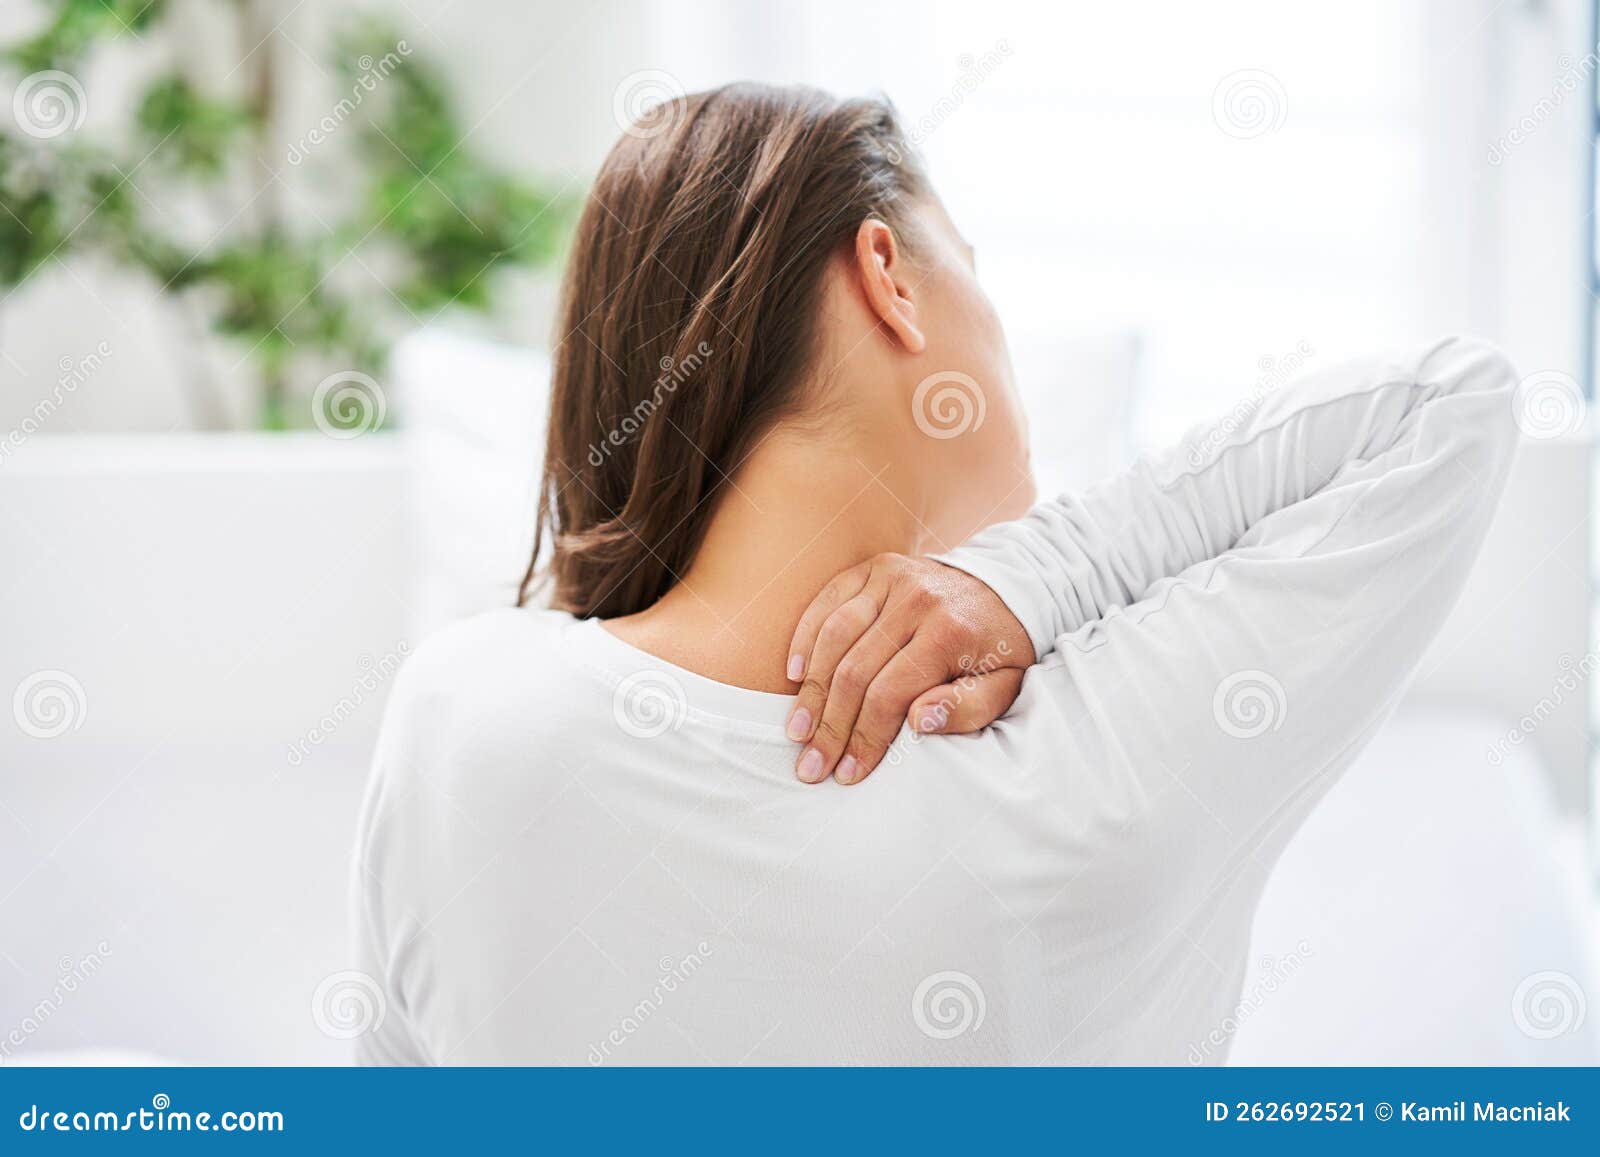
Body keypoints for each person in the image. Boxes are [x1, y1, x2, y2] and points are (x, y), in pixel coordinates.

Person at [351, 83, 1518, 1064]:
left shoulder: (462, 714)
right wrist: (1035, 573)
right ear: (888, 276)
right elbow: (1448, 403)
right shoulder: (1092, 748)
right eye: (970, 260)